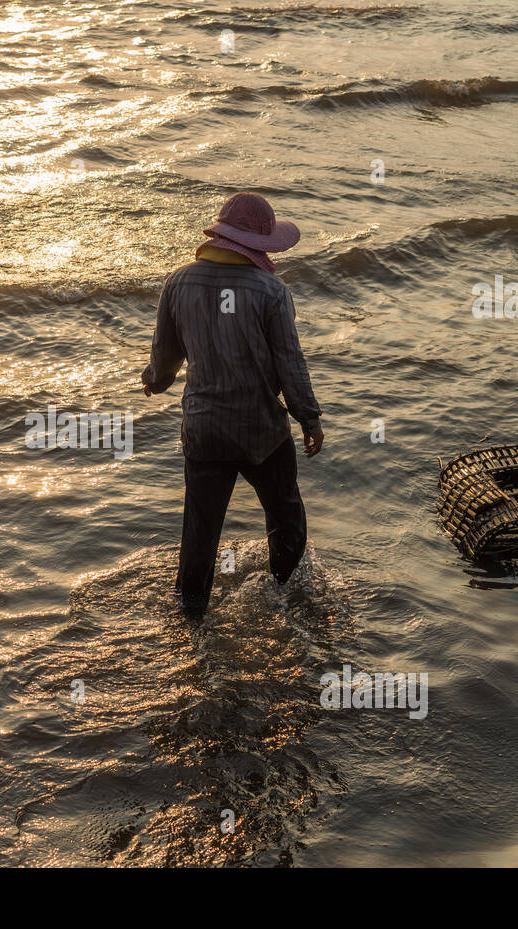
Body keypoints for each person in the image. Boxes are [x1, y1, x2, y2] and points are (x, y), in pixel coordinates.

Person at [142, 192, 324, 617]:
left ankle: (191, 618)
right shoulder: (270, 291)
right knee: (286, 518)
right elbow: (289, 363)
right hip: (261, 430)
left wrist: (156, 380)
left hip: (204, 430)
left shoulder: (178, 282)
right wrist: (309, 418)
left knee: (200, 532)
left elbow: (165, 357)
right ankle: (285, 597)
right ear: (258, 245)